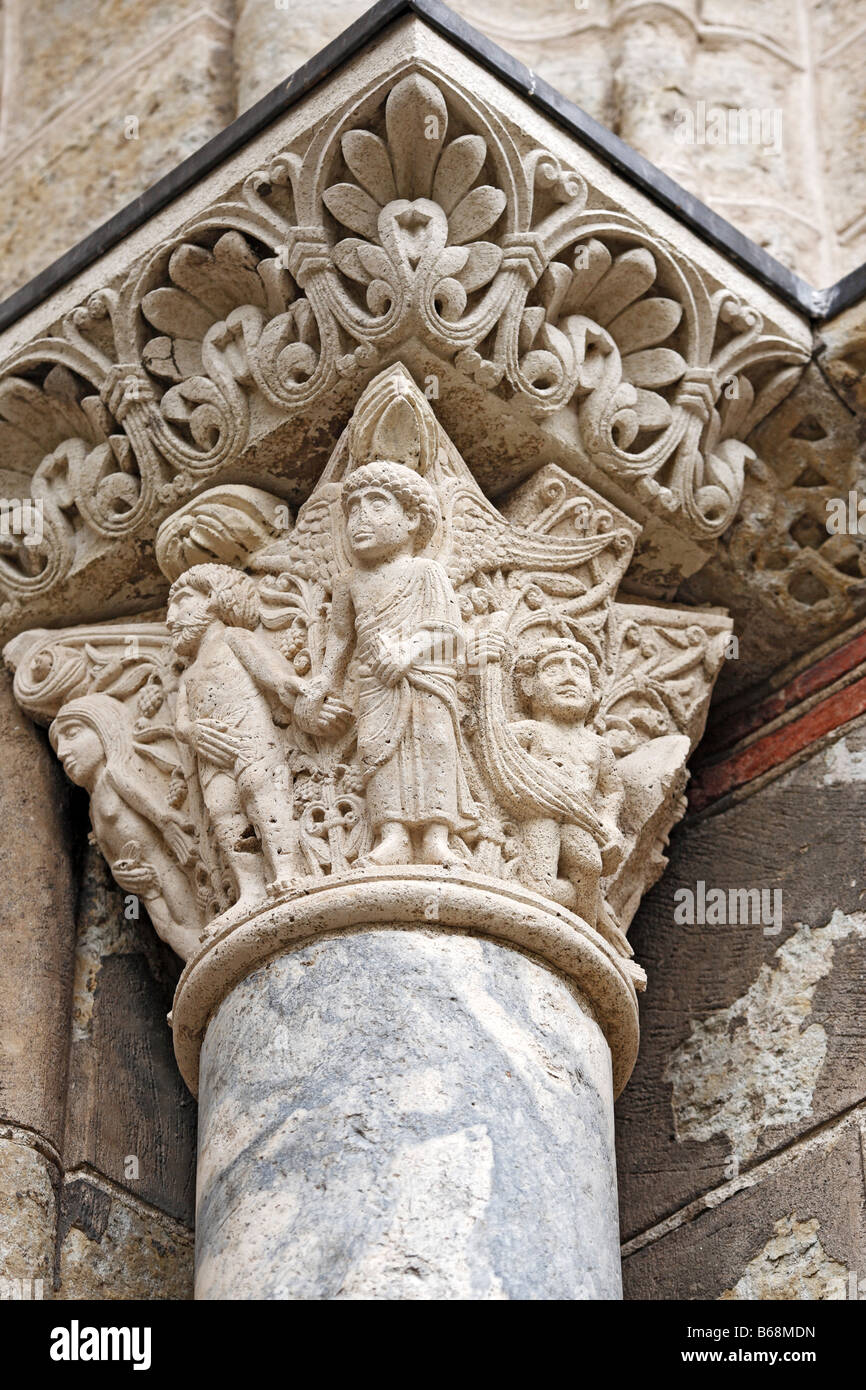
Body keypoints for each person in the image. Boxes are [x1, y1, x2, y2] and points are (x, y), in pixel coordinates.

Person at [296, 461, 476, 866]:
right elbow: (341, 637)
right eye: (353, 509)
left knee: (435, 745)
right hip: (375, 682)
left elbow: (451, 634)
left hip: (427, 681)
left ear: (412, 518)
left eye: (377, 505)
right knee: (377, 752)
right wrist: (324, 680)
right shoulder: (349, 582)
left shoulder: (426, 572)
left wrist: (409, 651)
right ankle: (391, 833)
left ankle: (435, 837)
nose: (361, 519)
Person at [50, 694, 202, 959]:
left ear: (103, 728)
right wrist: (123, 877)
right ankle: (199, 963)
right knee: (166, 929)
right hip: (145, 883)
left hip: (167, 864)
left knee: (188, 917)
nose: (63, 753)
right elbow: (110, 852)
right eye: (58, 745)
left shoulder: (115, 774)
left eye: (72, 734)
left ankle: (209, 952)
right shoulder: (92, 807)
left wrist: (168, 823)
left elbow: (148, 802)